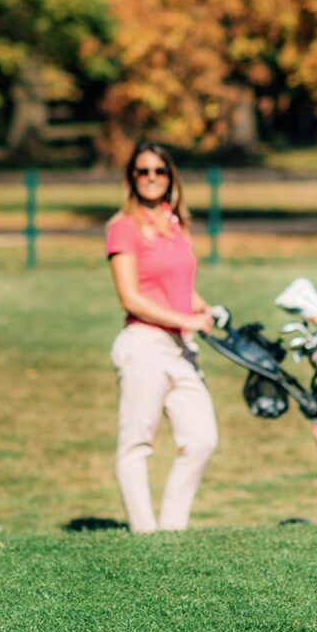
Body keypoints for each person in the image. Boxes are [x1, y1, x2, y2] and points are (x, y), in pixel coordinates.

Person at [104, 142, 220, 533]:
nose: (152, 178)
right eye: (143, 171)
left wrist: (203, 309)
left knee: (202, 437)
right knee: (137, 442)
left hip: (180, 347)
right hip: (144, 345)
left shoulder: (175, 224)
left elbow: (180, 285)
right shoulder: (123, 227)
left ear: (170, 177)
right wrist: (185, 317)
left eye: (159, 171)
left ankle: (172, 528)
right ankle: (145, 532)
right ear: (132, 179)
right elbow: (131, 297)